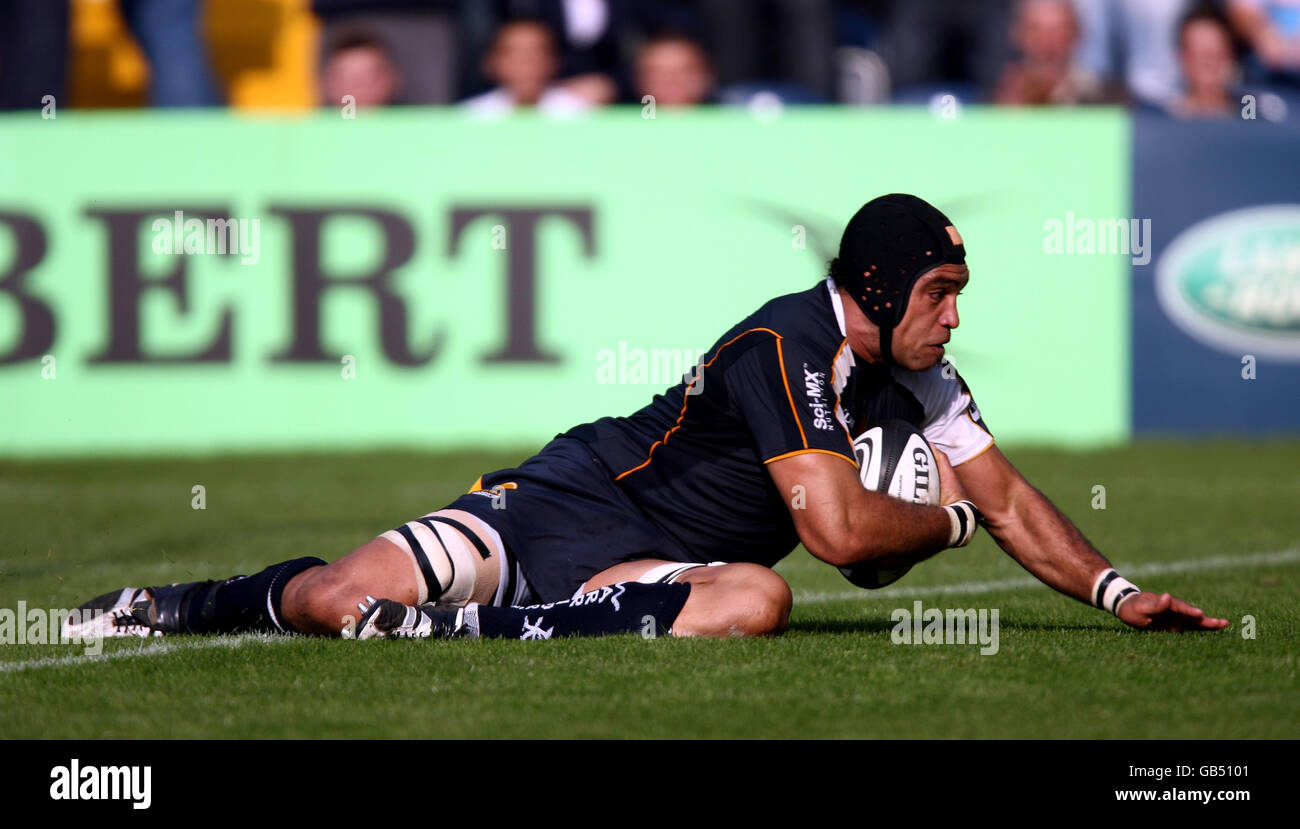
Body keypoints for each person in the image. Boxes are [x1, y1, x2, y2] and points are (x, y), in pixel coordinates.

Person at [64, 194, 1229, 643]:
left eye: (957, 296)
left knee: (754, 601)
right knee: (333, 599)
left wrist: (1119, 595)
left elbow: (1011, 495)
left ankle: (479, 637)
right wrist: (949, 527)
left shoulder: (919, 377)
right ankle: (167, 604)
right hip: (564, 503)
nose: (951, 319)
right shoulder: (784, 342)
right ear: (876, 290)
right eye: (937, 294)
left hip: (655, 562)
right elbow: (840, 536)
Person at [460, 18, 594, 116]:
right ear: (492, 62)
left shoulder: (581, 114)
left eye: (535, 54)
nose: (526, 63)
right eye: (514, 55)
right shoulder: (471, 116)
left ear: (553, 61)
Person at [994, 0, 1112, 105]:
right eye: (1035, 31)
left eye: (1058, 32)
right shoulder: (995, 95)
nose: (1046, 44)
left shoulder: (1101, 97)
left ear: (1076, 35)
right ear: (1017, 35)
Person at [1168, 6, 1243, 118]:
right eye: (1199, 54)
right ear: (1182, 58)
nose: (1208, 63)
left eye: (1215, 53)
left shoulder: (1253, 114)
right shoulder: (1165, 119)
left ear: (1231, 55)